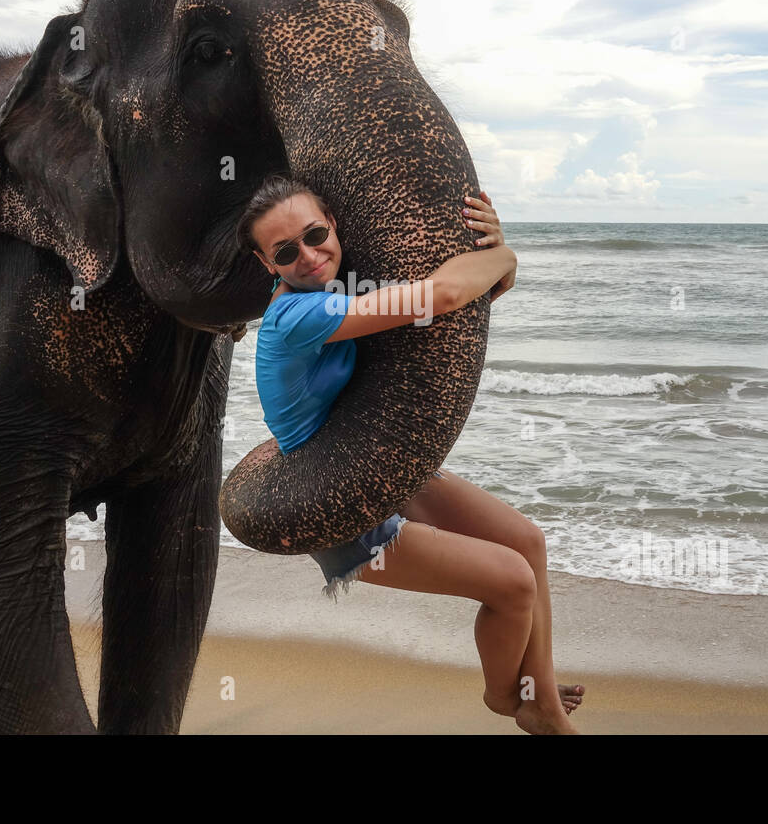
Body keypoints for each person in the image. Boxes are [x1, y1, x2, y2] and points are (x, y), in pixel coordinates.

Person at [235, 173, 584, 735]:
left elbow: (470, 287)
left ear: (333, 223)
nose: (309, 254)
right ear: (265, 263)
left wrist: (489, 253)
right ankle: (509, 701)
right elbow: (441, 296)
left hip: (371, 466)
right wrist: (508, 253)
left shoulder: (331, 291)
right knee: (514, 583)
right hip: (339, 507)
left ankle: (537, 690)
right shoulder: (295, 317)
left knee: (527, 541)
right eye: (285, 251)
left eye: (315, 233)